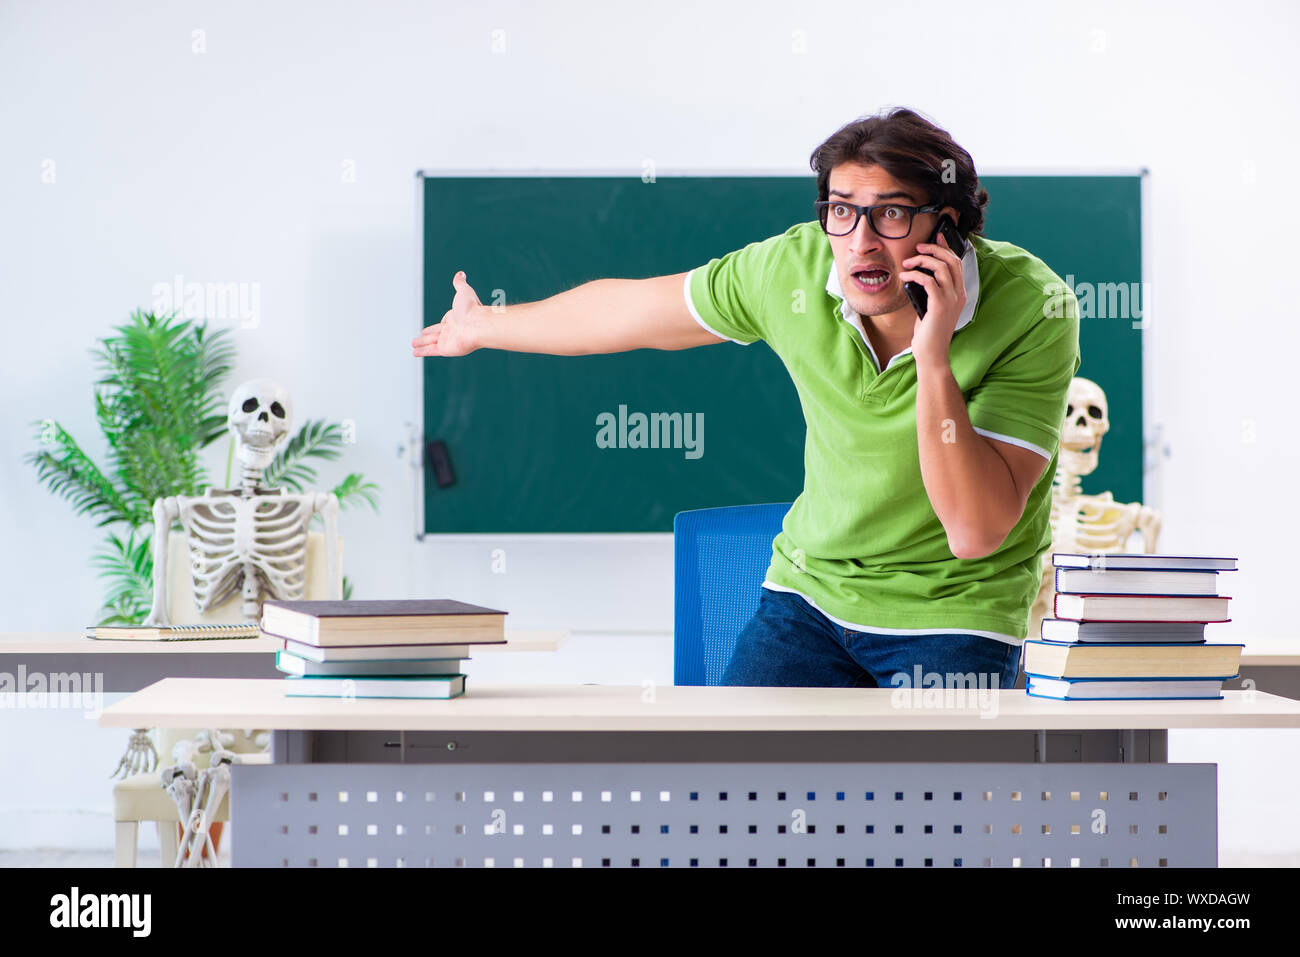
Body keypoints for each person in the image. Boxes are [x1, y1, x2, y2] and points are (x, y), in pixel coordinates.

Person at [412, 106, 1080, 692]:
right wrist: (485, 325)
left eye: (893, 213)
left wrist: (934, 356)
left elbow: (975, 530)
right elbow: (633, 312)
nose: (860, 242)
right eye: (842, 212)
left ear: (948, 225)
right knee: (728, 803)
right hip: (811, 600)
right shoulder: (790, 272)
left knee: (931, 829)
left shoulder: (1031, 306)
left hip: (954, 613)